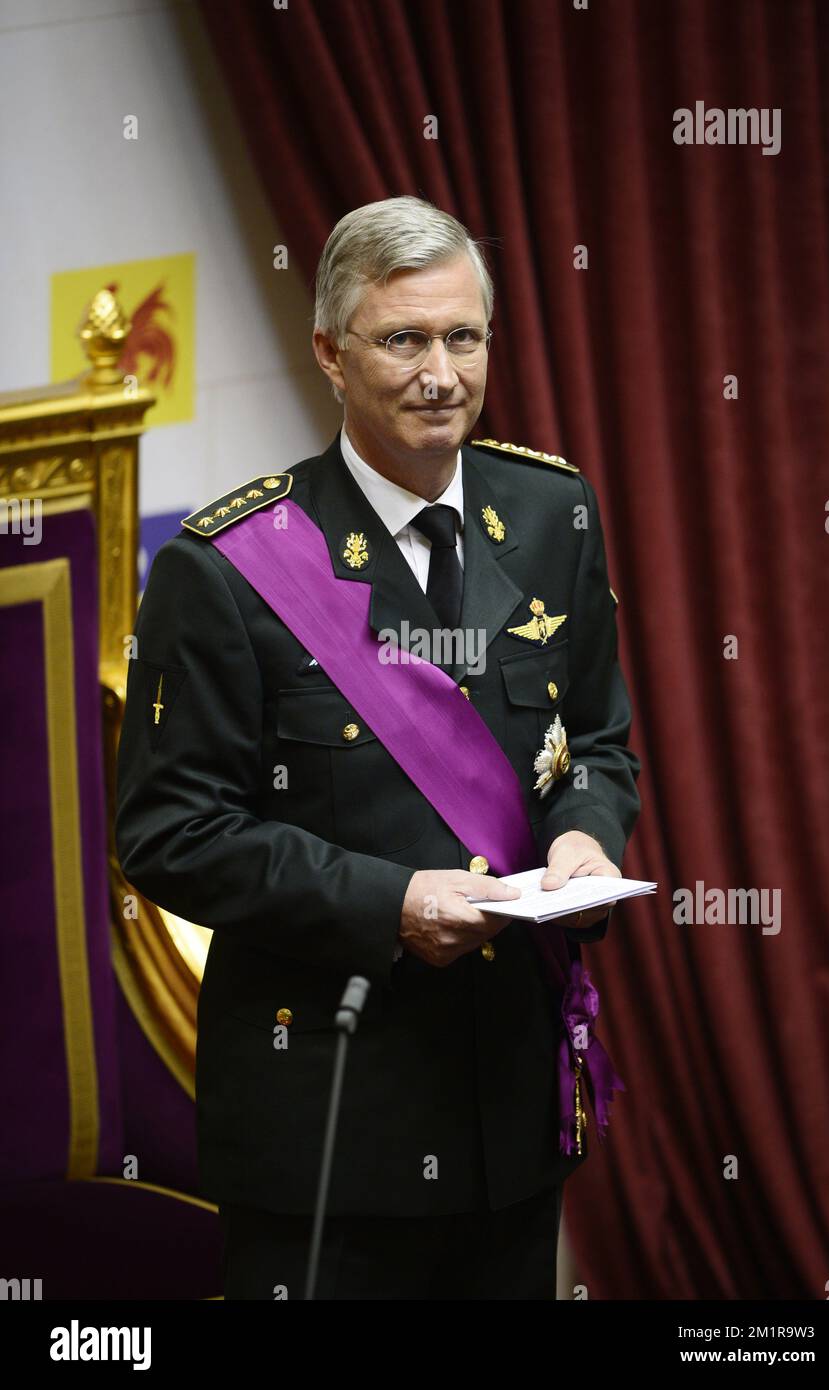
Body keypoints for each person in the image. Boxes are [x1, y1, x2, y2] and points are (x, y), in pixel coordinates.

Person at [115, 195, 640, 1300]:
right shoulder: (229, 569)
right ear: (329, 353)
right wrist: (388, 900)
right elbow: (168, 835)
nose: (439, 372)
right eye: (403, 339)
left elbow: (594, 736)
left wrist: (587, 836)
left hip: (509, 1106)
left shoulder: (553, 513)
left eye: (463, 336)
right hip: (330, 1124)